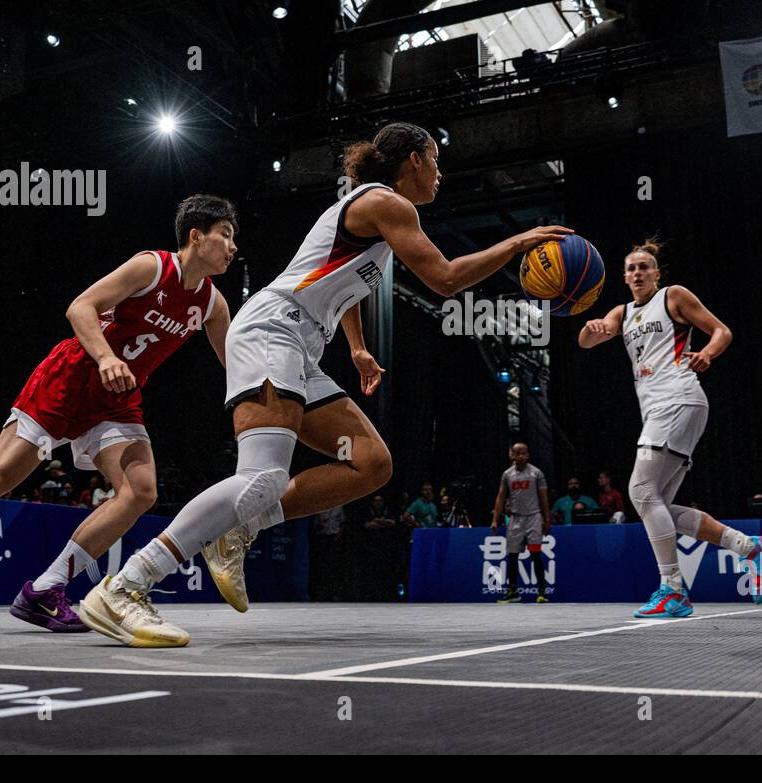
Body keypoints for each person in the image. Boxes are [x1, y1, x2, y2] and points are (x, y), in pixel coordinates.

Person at [80, 121, 571, 645]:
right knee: (262, 477)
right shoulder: (389, 204)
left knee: (371, 463)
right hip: (272, 331)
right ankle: (127, 585)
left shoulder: (375, 215)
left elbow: (349, 281)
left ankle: (240, 530)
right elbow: (445, 279)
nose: (440, 172)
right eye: (435, 159)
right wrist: (518, 242)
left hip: (299, 344)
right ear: (413, 160)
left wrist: (356, 347)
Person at [0, 195, 237, 632]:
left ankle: (45, 590)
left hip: (115, 401)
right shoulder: (151, 267)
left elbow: (235, 361)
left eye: (233, 238)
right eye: (224, 235)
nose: (231, 247)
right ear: (195, 235)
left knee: (140, 491)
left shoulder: (213, 304)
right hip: (73, 376)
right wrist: (106, 357)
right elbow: (80, 306)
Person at [579, 239, 762, 618]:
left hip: (679, 397)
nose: (637, 273)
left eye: (644, 267)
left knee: (639, 490)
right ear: (624, 276)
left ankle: (672, 589)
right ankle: (748, 546)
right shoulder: (622, 313)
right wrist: (594, 326)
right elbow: (586, 342)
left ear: (656, 274)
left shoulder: (672, 297)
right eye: (631, 268)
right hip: (659, 409)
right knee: (658, 504)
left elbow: (722, 331)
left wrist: (707, 353)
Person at [490, 442, 552, 603]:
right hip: (515, 519)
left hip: (533, 517)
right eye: (517, 453)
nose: (520, 456)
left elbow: (543, 498)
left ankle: (541, 592)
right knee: (512, 556)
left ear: (528, 454)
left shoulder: (536, 473)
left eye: (523, 453)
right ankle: (513, 592)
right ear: (512, 455)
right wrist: (495, 520)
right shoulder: (507, 475)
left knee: (536, 555)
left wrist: (547, 519)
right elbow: (500, 498)